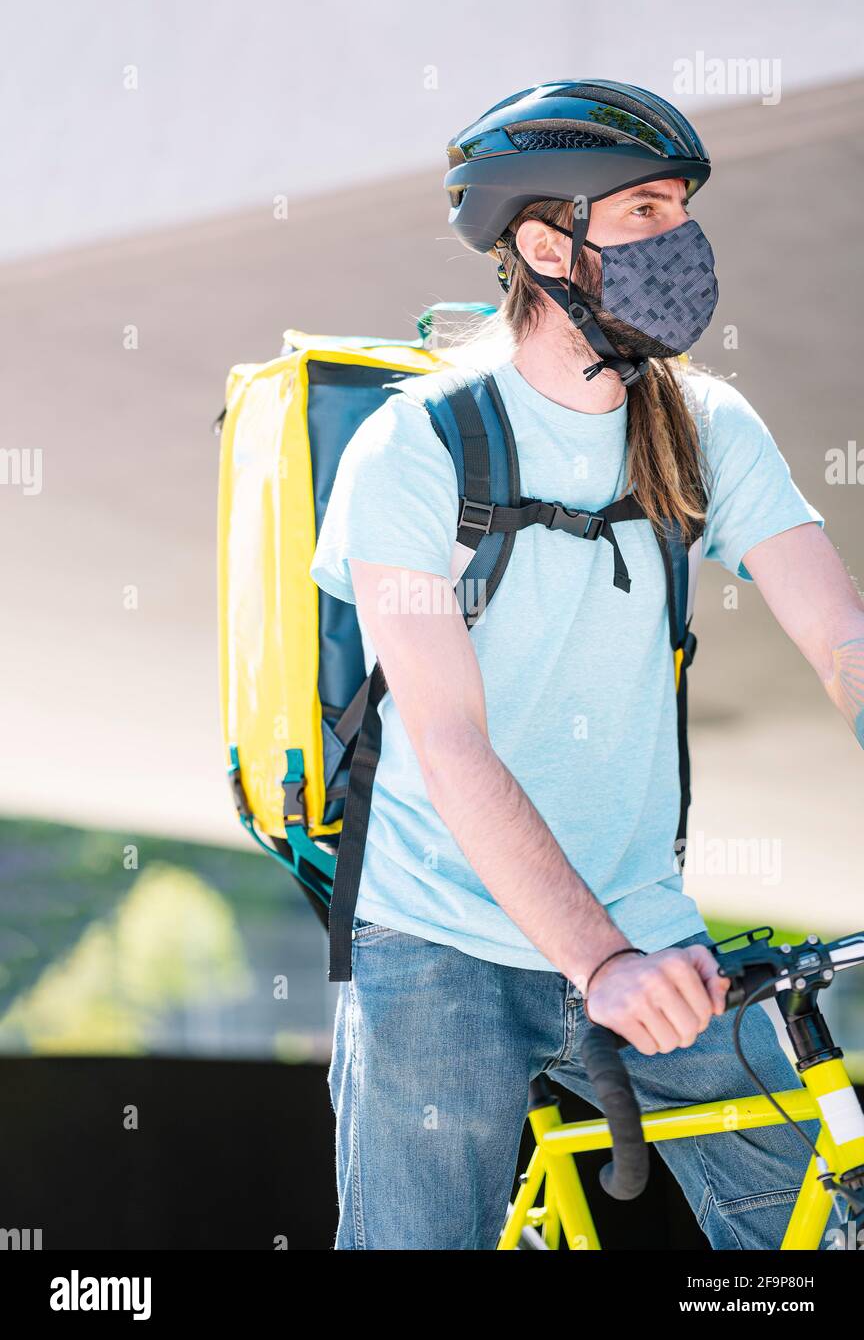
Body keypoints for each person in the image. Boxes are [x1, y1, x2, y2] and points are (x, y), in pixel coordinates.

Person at [310, 80, 864, 1250]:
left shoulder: (703, 424)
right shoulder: (412, 450)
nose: (683, 240)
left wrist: (628, 946)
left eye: (681, 210)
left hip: (649, 930)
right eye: (649, 211)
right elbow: (449, 741)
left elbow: (842, 639)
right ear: (545, 242)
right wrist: (596, 958)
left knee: (816, 1235)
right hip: (438, 941)